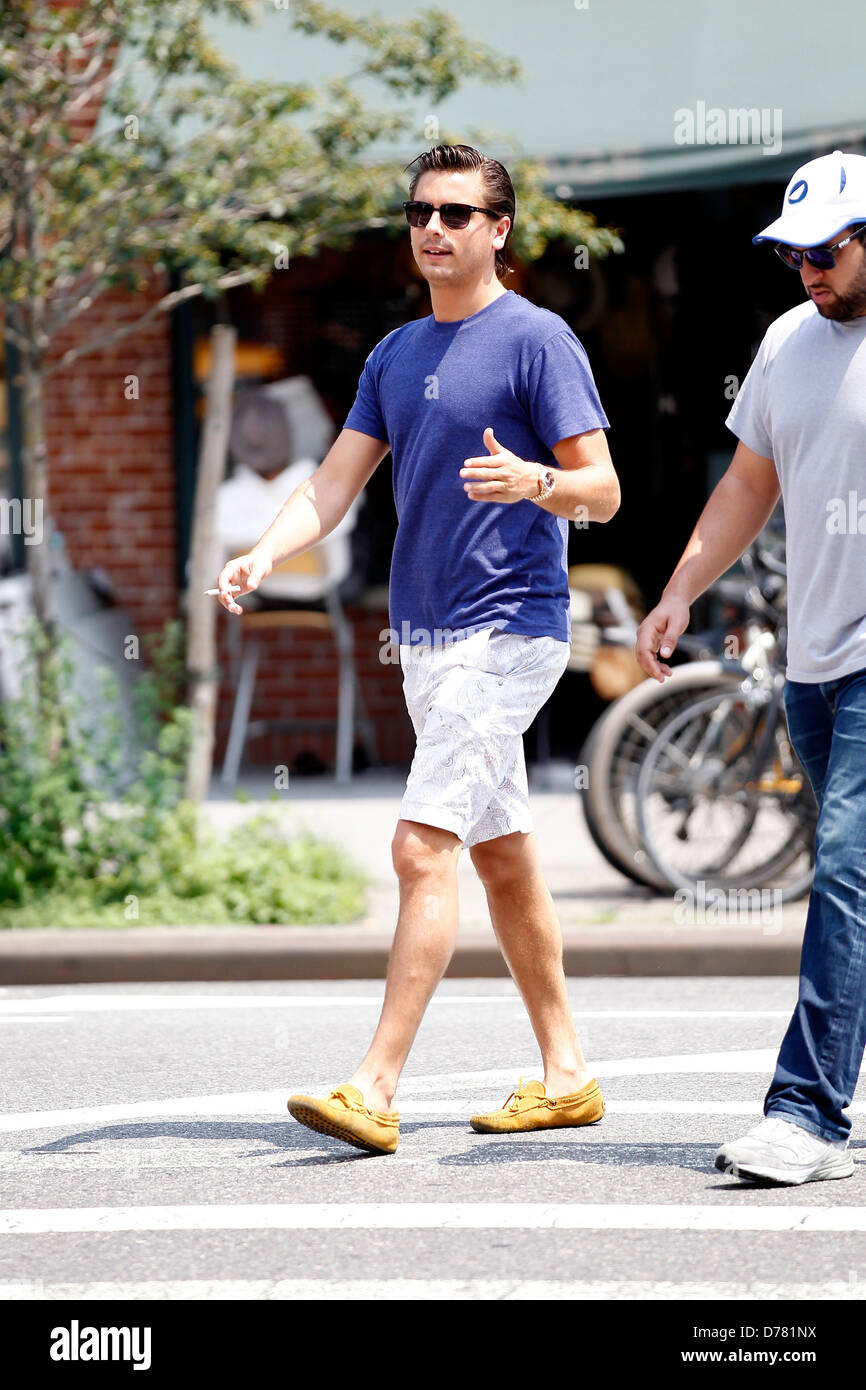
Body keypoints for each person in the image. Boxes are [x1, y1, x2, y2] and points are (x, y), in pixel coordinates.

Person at [217, 143, 619, 1154]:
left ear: (497, 230)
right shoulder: (395, 356)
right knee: (502, 856)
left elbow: (602, 491)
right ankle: (565, 1072)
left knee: (417, 844)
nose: (431, 228)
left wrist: (533, 482)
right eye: (416, 212)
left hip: (509, 627)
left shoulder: (537, 342)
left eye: (454, 212)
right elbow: (331, 486)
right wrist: (264, 551)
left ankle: (375, 1086)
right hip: (428, 641)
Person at [636, 148, 866, 1186]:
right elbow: (746, 483)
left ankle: (805, 1112)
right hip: (810, 665)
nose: (809, 272)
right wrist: (679, 589)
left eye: (827, 251)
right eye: (793, 256)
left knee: (848, 871)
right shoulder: (783, 342)